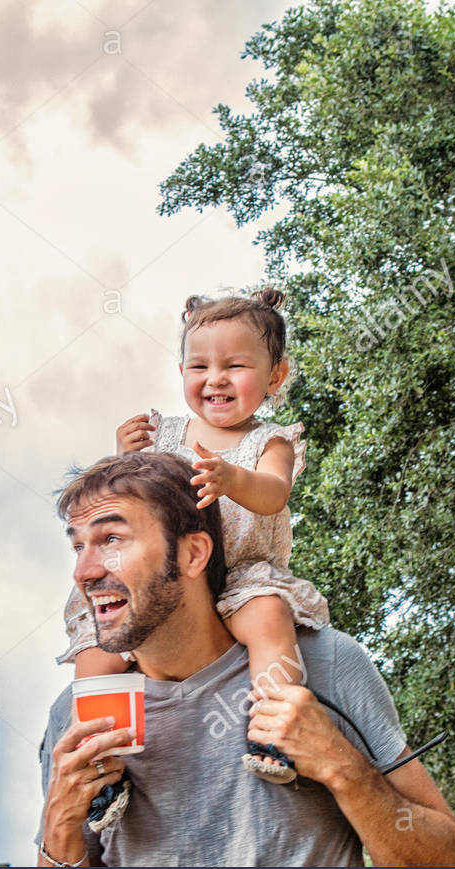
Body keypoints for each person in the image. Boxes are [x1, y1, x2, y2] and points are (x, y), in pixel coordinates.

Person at [37, 452, 455, 866]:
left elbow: (440, 863)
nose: (84, 572)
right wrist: (59, 827)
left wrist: (341, 767)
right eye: (79, 547)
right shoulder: (74, 715)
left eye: (111, 539)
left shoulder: (324, 662)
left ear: (192, 554)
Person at [60, 288, 330, 810]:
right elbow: (127, 493)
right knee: (99, 655)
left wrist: (233, 478)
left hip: (242, 574)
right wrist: (122, 456)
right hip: (163, 580)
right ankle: (100, 764)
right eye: (199, 365)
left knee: (270, 622)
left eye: (236, 365)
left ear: (275, 377)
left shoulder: (270, 441)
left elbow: (273, 495)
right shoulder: (166, 433)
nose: (216, 378)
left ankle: (274, 729)